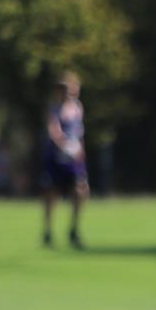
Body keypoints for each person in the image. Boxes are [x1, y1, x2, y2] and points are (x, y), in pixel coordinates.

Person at [39, 72, 87, 249]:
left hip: (74, 159)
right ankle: (48, 231)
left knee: (81, 190)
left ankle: (74, 230)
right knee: (51, 194)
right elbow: (54, 132)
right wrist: (66, 147)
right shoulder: (54, 109)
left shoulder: (77, 108)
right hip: (56, 157)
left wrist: (80, 150)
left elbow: (80, 133)